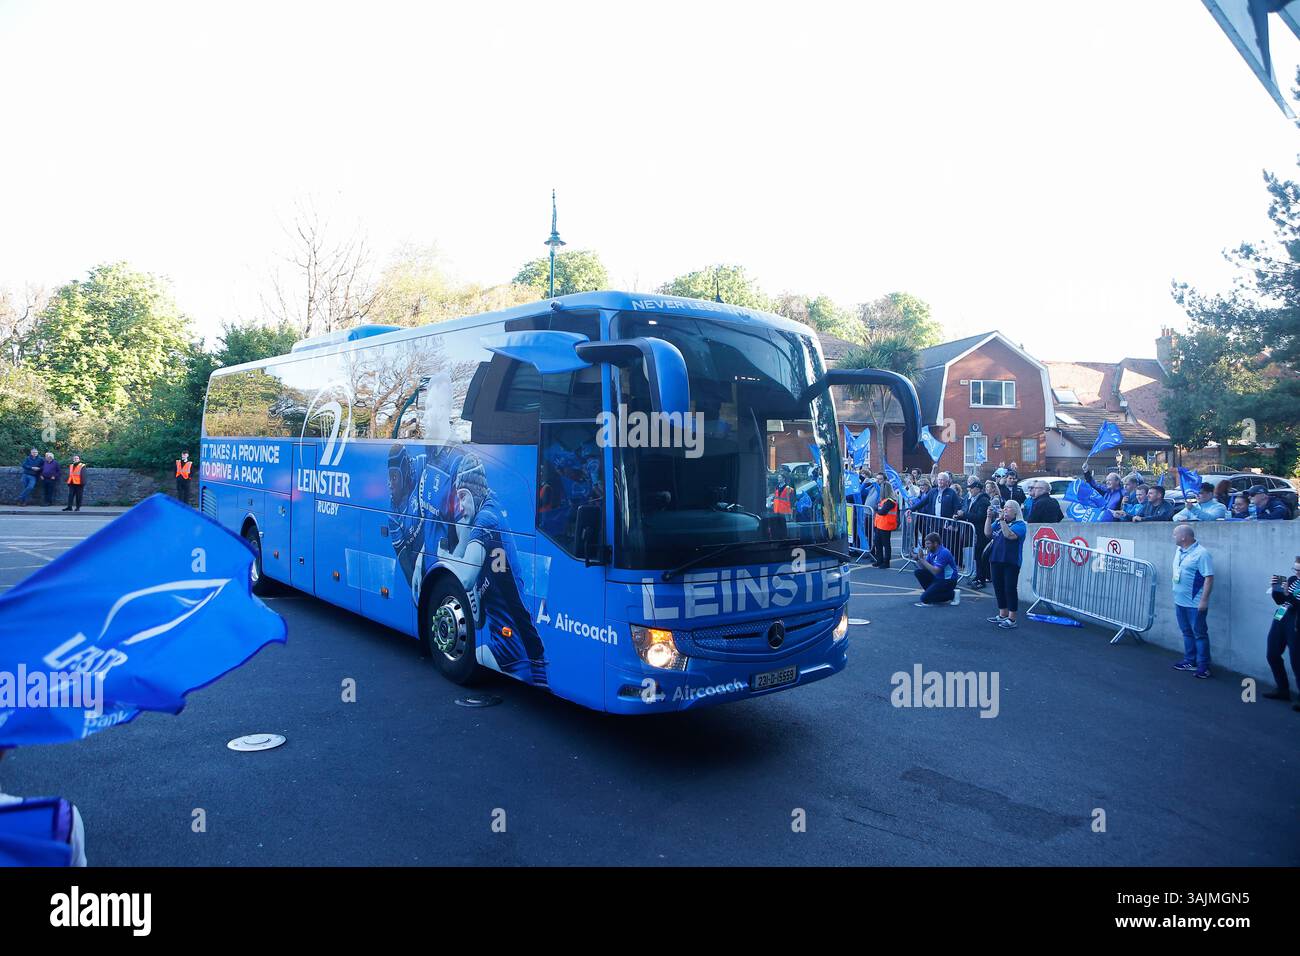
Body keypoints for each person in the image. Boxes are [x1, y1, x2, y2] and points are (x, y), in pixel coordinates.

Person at [1170, 524, 1215, 679]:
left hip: (1194, 604)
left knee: (1199, 634)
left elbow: (1209, 578)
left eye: (1175, 534)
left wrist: (1203, 601)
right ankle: (1190, 660)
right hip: (1180, 601)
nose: (1173, 536)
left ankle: (1204, 666)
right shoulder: (1179, 550)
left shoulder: (1202, 554)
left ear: (1184, 537)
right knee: (1187, 632)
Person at [1263, 556, 1300, 708]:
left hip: (1296, 621)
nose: (1297, 573)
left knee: (1297, 660)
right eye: (1295, 570)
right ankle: (1282, 689)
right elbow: (1280, 601)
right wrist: (1276, 590)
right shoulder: (1292, 580)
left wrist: (1288, 595)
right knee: (1272, 653)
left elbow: (1296, 602)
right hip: (1281, 616)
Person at [985, 498, 1027, 630]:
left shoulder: (1020, 524)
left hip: (1011, 561)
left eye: (1008, 508)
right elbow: (987, 533)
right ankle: (1002, 613)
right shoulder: (999, 522)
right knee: (998, 587)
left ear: (1015, 511)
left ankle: (1012, 617)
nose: (1005, 510)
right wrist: (988, 517)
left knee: (1010, 588)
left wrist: (1002, 521)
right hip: (996, 558)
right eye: (1004, 507)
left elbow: (1009, 535)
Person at [912, 532, 959, 606]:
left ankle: (952, 594)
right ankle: (931, 592)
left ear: (935, 543)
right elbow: (924, 568)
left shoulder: (943, 553)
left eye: (928, 544)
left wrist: (923, 560)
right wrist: (918, 559)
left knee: (924, 599)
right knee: (918, 572)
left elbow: (935, 571)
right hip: (938, 578)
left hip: (948, 580)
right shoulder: (932, 552)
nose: (926, 546)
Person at [966, 478, 993, 588]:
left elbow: (980, 517)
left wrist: (964, 514)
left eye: (972, 488)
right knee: (977, 556)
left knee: (980, 556)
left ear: (978, 489)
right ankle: (978, 576)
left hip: (981, 533)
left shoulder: (983, 501)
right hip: (975, 532)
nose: (970, 490)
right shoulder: (973, 499)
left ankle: (981, 579)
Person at [872, 483, 898, 568]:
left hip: (886, 526)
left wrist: (877, 509)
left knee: (886, 544)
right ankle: (879, 560)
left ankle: (886, 562)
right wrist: (877, 509)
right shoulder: (884, 500)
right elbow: (879, 509)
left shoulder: (890, 501)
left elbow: (882, 511)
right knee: (877, 543)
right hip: (879, 525)